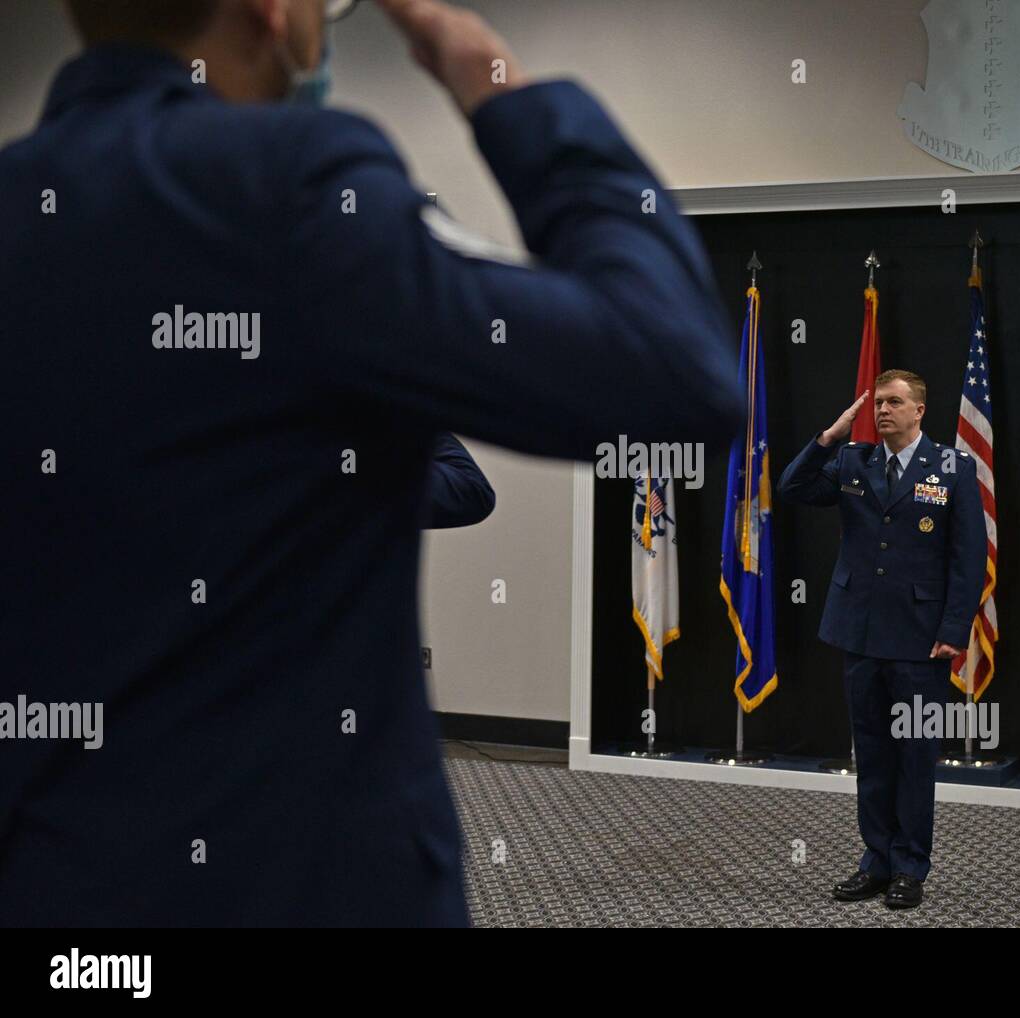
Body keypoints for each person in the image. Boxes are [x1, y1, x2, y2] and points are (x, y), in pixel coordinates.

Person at [0, 0, 742, 926]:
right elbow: (675, 376)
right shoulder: (295, 188)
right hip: (302, 885)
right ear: (274, 12)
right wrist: (490, 78)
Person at [777, 370, 984, 910]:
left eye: (896, 402)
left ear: (919, 410)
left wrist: (955, 630)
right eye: (879, 402)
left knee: (914, 756)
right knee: (870, 753)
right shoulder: (853, 460)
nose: (884, 410)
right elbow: (792, 488)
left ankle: (910, 867)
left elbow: (968, 558)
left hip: (920, 639)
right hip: (862, 632)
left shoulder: (953, 468)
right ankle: (876, 861)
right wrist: (829, 436)